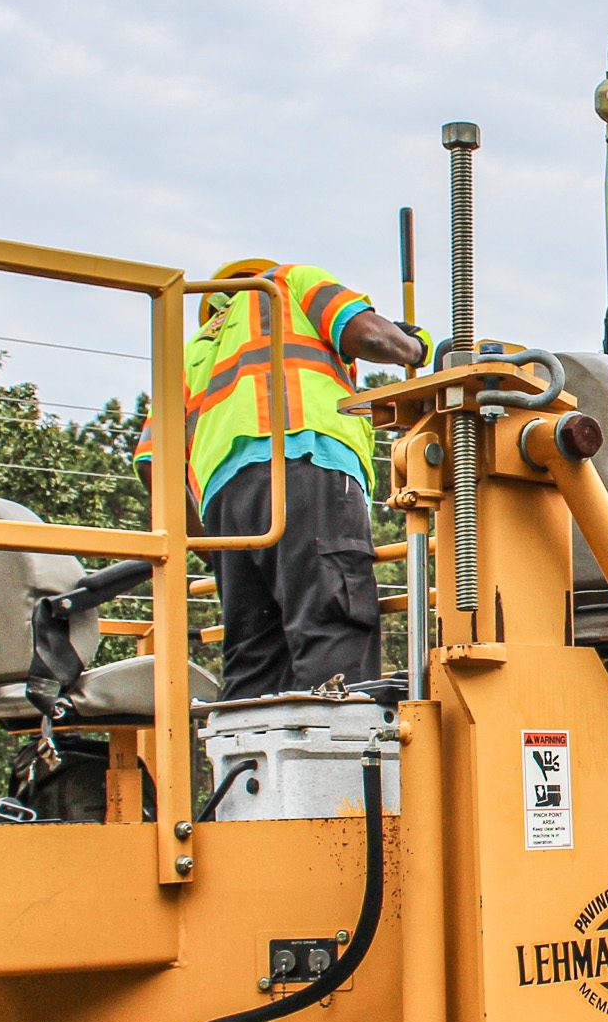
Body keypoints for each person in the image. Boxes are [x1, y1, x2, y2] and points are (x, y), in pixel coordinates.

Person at [135, 259, 430, 700]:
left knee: (255, 657)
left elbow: (151, 463)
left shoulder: (192, 351)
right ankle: (341, 762)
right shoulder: (287, 282)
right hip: (304, 463)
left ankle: (248, 766)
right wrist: (415, 346)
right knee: (332, 624)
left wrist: (211, 551)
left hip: (224, 508)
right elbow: (368, 334)